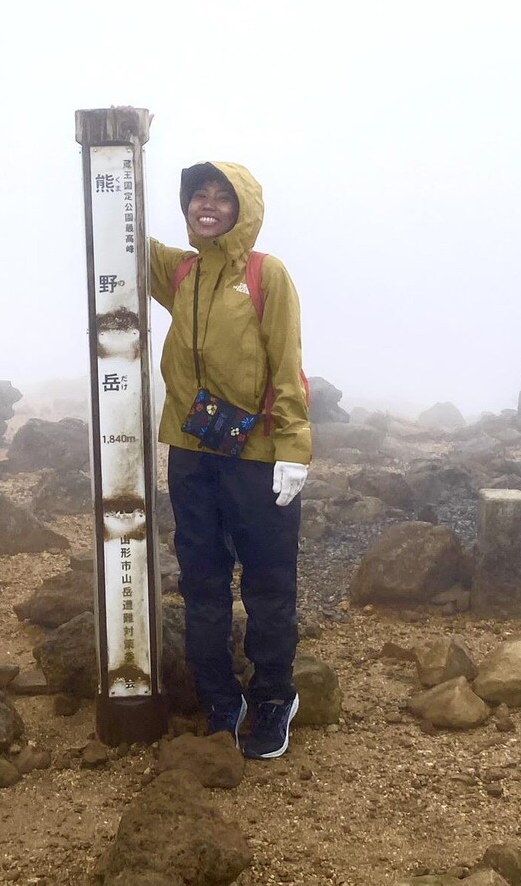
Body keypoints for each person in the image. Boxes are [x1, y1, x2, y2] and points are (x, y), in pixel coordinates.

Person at [149, 161, 310, 759]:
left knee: (268, 586)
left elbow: (287, 363)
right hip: (192, 453)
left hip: (258, 456)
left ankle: (274, 696)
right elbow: (127, 235)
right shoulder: (182, 271)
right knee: (203, 584)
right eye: (198, 196)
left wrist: (294, 449)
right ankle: (220, 696)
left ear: (244, 208)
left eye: (222, 197)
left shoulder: (268, 275)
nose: (208, 205)